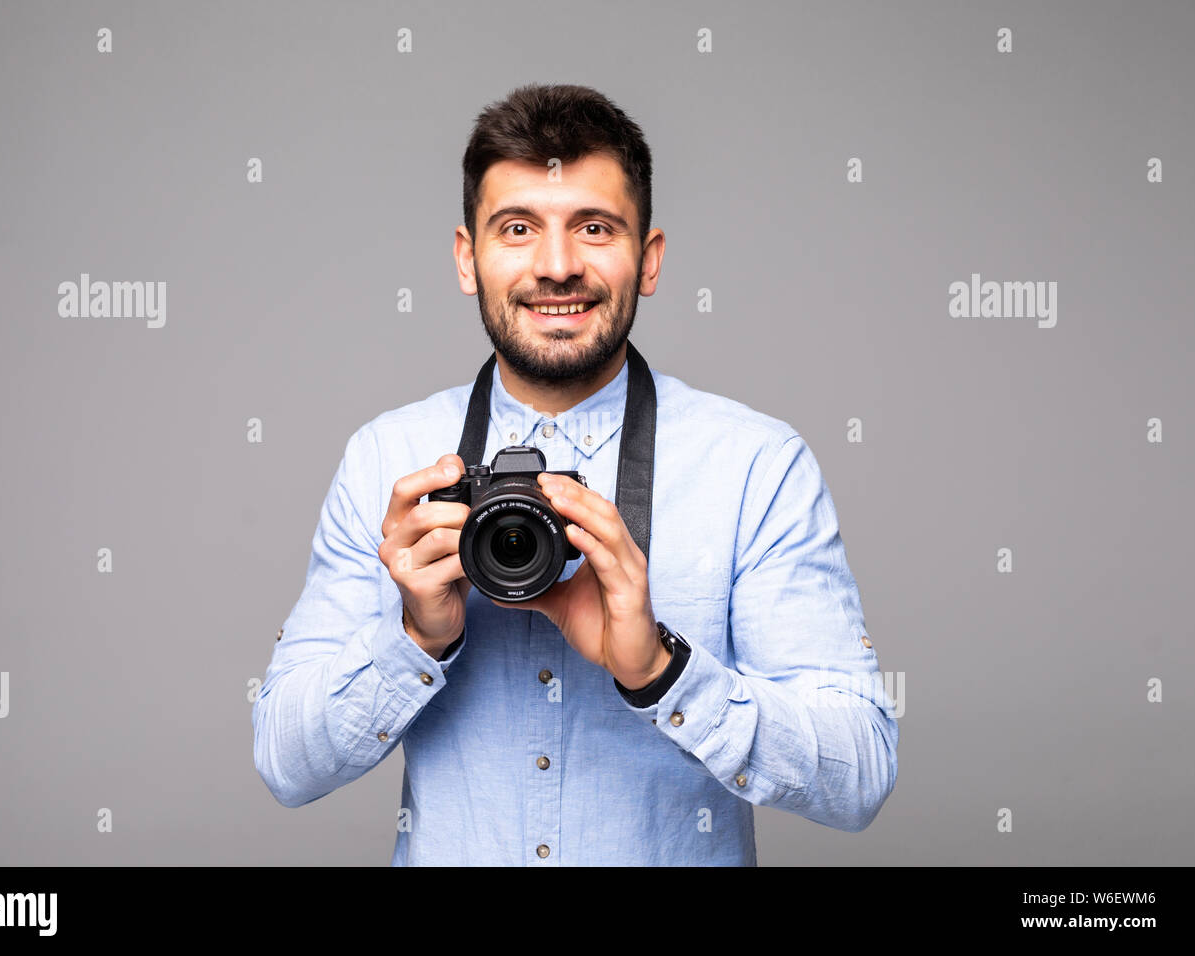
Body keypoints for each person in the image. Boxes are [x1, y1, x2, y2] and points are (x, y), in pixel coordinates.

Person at [252, 83, 898, 866]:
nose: (557, 267)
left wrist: (661, 672)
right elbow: (285, 764)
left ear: (649, 260)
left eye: (594, 228)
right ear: (468, 258)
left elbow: (859, 773)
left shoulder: (755, 466)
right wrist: (414, 637)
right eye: (517, 228)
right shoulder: (388, 460)